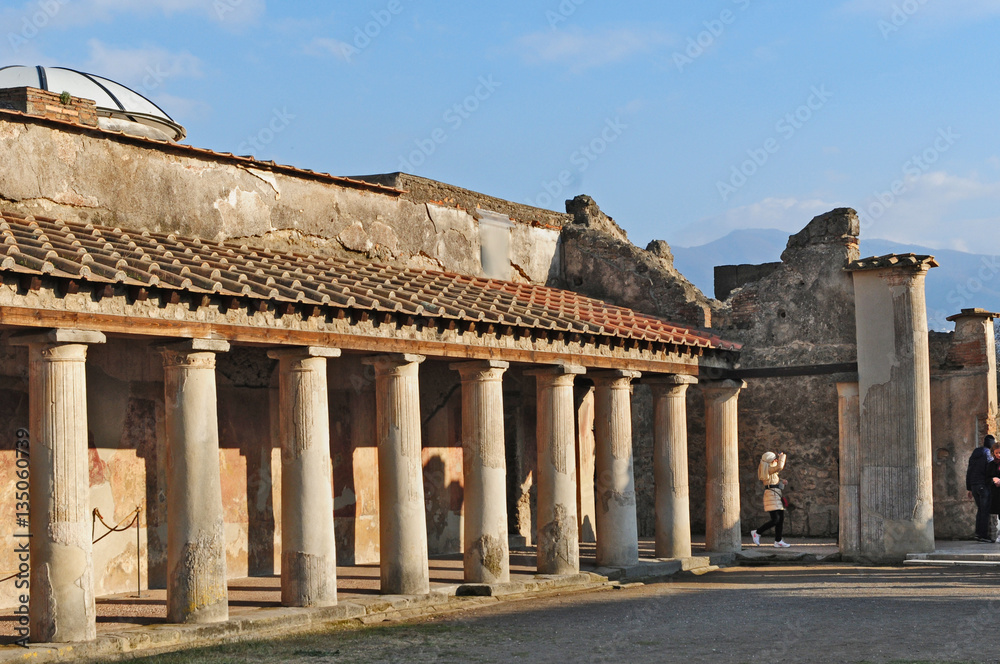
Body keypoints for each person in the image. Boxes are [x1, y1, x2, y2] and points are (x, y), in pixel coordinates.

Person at [751, 451, 791, 548]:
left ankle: (778, 540)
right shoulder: (768, 468)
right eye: (775, 459)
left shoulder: (770, 470)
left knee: (780, 518)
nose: (776, 460)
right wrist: (782, 456)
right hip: (771, 495)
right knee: (775, 519)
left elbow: (773, 480)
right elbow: (780, 467)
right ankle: (757, 532)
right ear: (770, 461)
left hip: (776, 494)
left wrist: (781, 481)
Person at [966, 434, 996, 543]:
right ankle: (983, 535)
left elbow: (969, 471)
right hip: (983, 485)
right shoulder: (987, 454)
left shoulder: (975, 454)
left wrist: (969, 488)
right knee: (985, 510)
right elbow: (990, 470)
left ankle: (978, 534)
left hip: (974, 486)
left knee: (981, 510)